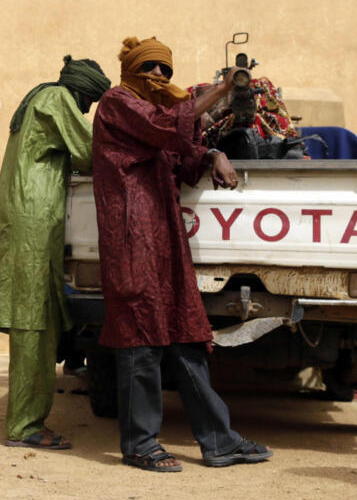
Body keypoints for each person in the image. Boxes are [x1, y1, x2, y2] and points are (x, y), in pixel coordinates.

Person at [92, 36, 272, 472]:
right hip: (132, 236)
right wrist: (221, 89)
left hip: (166, 240)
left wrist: (212, 153)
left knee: (185, 336)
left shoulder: (162, 116)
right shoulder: (117, 103)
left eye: (165, 71)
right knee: (140, 337)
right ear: (131, 71)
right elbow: (164, 128)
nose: (158, 77)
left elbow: (183, 156)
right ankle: (139, 444)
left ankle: (219, 441)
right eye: (150, 69)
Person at [0, 55, 111, 450]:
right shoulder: (57, 99)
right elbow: (90, 151)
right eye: (91, 99)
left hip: (33, 219)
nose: (88, 107)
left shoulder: (44, 96)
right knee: (32, 322)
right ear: (83, 91)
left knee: (40, 320)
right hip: (32, 221)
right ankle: (24, 425)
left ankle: (29, 418)